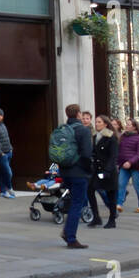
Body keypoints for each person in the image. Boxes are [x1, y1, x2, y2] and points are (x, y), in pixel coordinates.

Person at [56, 103, 93, 249]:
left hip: (65, 172)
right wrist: (87, 170)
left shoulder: (62, 129)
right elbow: (86, 154)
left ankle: (67, 231)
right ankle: (70, 237)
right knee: (78, 204)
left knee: (74, 202)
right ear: (78, 114)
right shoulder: (83, 131)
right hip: (79, 173)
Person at [88, 114, 119, 229]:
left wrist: (107, 170)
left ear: (106, 124)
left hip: (108, 171)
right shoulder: (95, 136)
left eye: (99, 122)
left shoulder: (111, 137)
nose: (97, 124)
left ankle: (112, 219)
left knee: (111, 194)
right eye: (96, 122)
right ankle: (96, 217)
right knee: (90, 190)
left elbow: (113, 156)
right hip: (96, 170)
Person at [117, 118, 139, 214]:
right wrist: (118, 163)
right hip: (124, 166)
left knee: (136, 186)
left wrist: (130, 162)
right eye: (126, 124)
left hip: (137, 167)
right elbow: (119, 151)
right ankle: (119, 204)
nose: (126, 126)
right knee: (121, 184)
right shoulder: (123, 136)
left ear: (134, 127)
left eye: (129, 124)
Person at [0, 109, 15, 198]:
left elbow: (7, 138)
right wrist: (0, 153)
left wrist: (11, 149)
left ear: (2, 116)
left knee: (2, 172)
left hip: (8, 152)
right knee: (8, 173)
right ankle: (9, 187)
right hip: (1, 154)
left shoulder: (3, 125)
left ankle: (2, 192)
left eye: (0, 115)